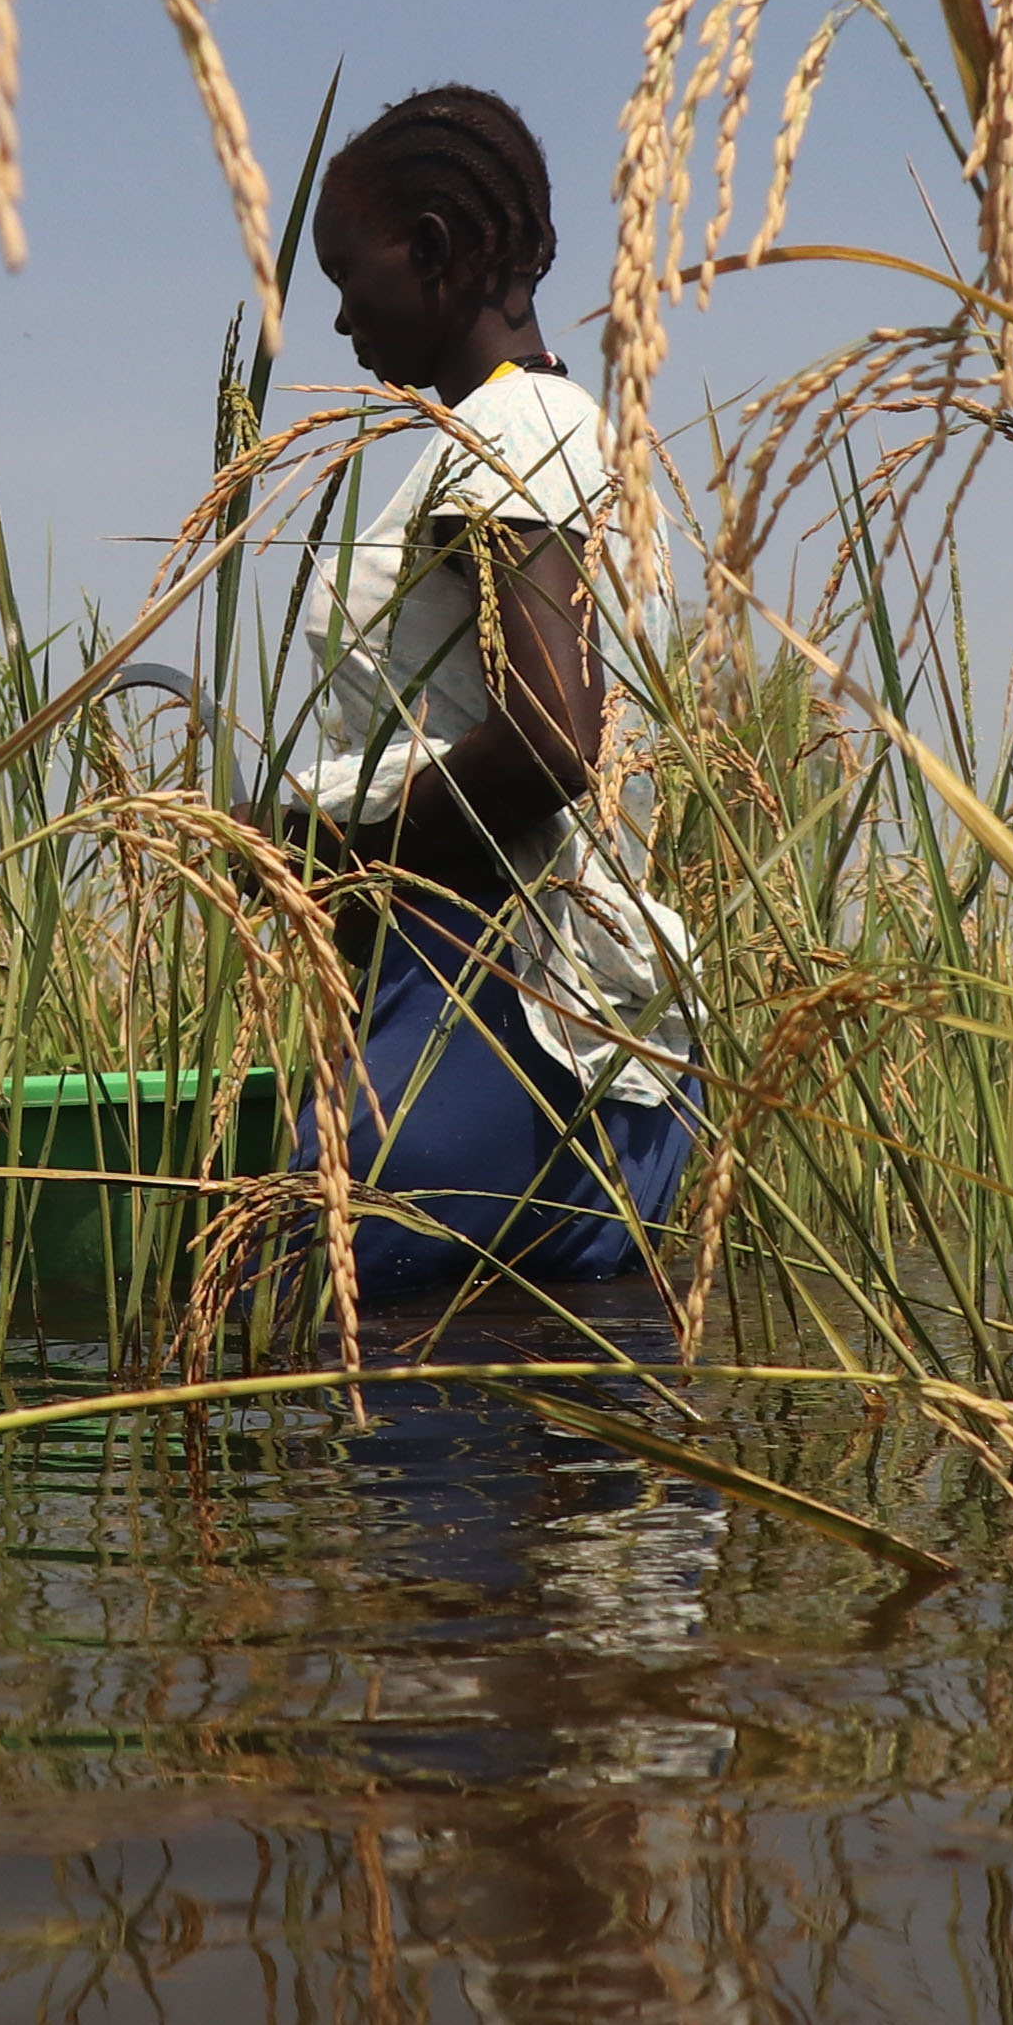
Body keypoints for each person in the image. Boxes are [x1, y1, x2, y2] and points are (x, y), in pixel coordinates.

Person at [276, 85, 699, 1291]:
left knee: (337, 1343)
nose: (344, 319)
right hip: (583, 1027)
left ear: (433, 250)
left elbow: (551, 743)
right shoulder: (568, 437)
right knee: (553, 1410)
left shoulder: (516, 435)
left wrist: (322, 835)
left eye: (347, 275)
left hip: (490, 990)